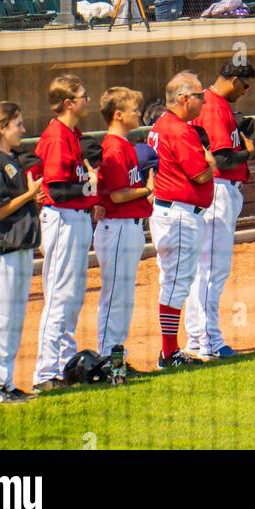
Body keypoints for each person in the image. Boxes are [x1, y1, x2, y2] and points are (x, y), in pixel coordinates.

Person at [183, 63, 255, 359]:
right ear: (234, 80)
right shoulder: (213, 107)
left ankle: (198, 339)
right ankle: (209, 340)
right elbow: (222, 159)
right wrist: (249, 151)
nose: (245, 92)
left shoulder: (214, 103)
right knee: (213, 269)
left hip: (218, 193)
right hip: (219, 190)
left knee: (205, 269)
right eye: (245, 86)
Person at [0, 102, 42, 404]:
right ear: (1, 128)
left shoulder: (10, 159)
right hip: (1, 254)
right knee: (0, 319)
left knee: (14, 319)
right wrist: (29, 195)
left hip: (19, 249)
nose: (23, 130)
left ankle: (7, 382)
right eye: (18, 124)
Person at [31, 75, 97, 391]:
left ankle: (65, 366)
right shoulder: (57, 136)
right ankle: (45, 373)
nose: (89, 100)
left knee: (71, 298)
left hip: (74, 219)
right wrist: (89, 186)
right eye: (84, 95)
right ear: (69, 102)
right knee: (59, 298)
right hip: (63, 220)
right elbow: (56, 190)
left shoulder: (70, 134)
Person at [146, 72, 215, 368]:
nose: (203, 101)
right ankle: (169, 353)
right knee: (176, 283)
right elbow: (200, 173)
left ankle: (170, 350)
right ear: (184, 98)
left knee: (174, 281)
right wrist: (211, 162)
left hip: (170, 212)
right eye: (200, 96)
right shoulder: (180, 130)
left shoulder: (162, 124)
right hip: (179, 215)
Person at [88, 85, 152, 373]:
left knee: (123, 298)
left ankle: (117, 361)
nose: (138, 112)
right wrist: (146, 190)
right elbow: (116, 195)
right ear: (117, 115)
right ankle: (107, 363)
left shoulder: (124, 144)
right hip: (117, 228)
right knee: (115, 297)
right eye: (133, 109)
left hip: (128, 228)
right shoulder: (114, 147)